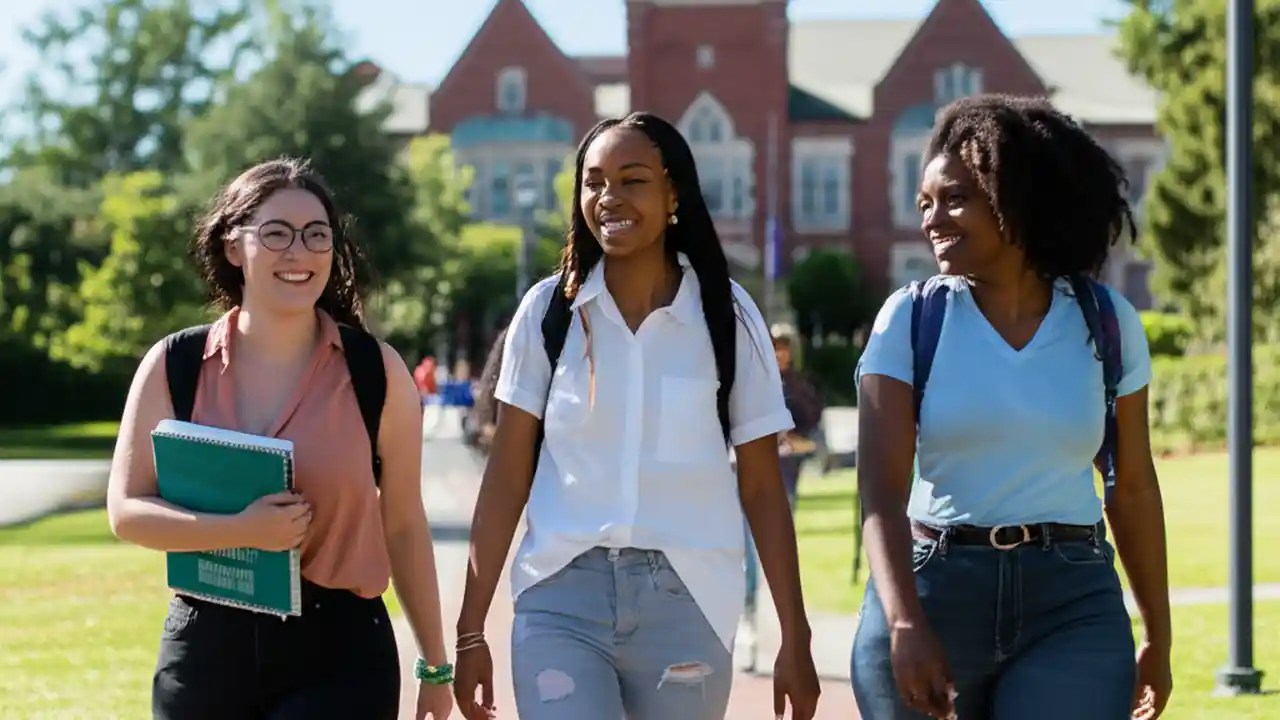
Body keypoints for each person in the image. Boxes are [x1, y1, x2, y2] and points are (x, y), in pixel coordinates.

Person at [451, 112, 821, 720]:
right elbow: (507, 478)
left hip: (688, 602)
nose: (609, 198)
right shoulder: (548, 314)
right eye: (593, 182)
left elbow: (761, 486)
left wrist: (795, 636)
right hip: (560, 601)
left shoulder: (729, 318)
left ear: (674, 193)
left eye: (633, 180)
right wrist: (470, 632)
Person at [851, 95, 1173, 720]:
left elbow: (1131, 488)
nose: (933, 219)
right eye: (925, 203)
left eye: (956, 199)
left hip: (1071, 601)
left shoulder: (1107, 323)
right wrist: (902, 622)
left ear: (1018, 197)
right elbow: (880, 495)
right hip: (935, 590)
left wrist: (1157, 636)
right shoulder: (913, 319)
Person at [106, 157, 453, 720]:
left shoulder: (375, 370)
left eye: (317, 235)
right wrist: (242, 530)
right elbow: (126, 510)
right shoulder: (174, 364)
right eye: (276, 233)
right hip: (206, 643)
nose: (299, 252)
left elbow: (405, 523)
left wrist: (435, 665)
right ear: (232, 246)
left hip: (340, 655)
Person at [771, 323, 825, 506]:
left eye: (784, 348)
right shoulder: (761, 383)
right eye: (775, 348)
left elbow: (813, 423)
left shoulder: (803, 386)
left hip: (795, 451)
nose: (779, 354)